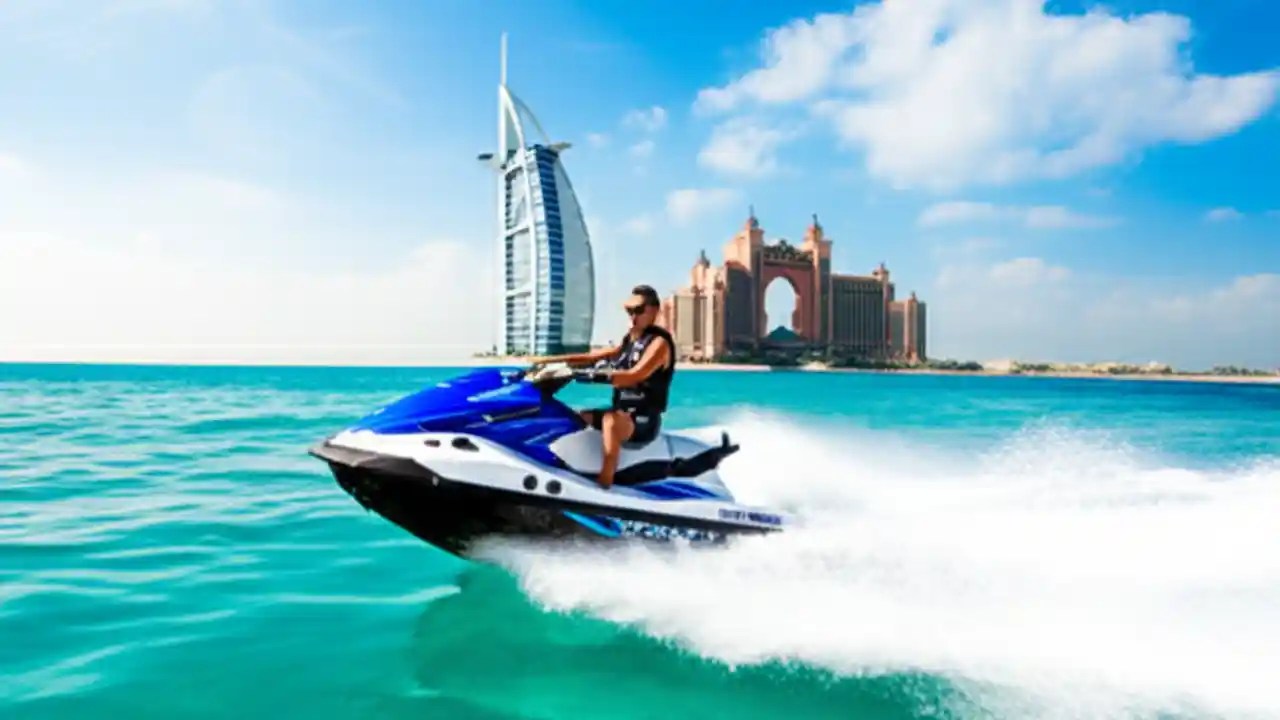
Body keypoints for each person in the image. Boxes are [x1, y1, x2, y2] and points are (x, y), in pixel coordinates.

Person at [529, 284, 675, 489]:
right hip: (621, 413)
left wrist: (596, 376)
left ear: (654, 310)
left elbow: (635, 375)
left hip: (643, 420)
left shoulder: (660, 344)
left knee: (610, 421)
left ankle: (605, 485)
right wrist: (548, 361)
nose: (633, 315)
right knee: (570, 418)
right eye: (630, 310)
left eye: (639, 310)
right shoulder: (630, 341)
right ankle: (558, 467)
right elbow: (592, 357)